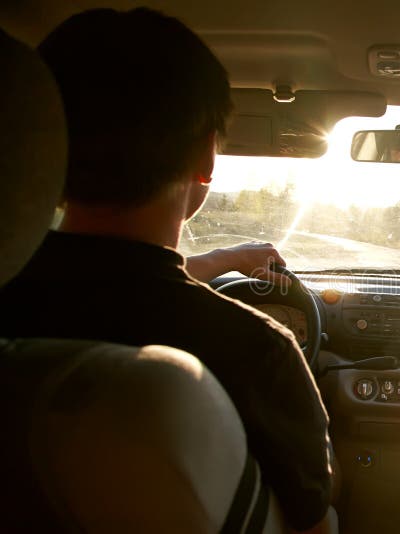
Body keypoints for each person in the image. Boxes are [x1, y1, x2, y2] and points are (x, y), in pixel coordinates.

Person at [0, 8, 332, 533]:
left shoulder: (10, 300)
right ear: (207, 157)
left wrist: (220, 261)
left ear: (45, 148)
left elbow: (108, 285)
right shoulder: (257, 351)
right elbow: (313, 522)